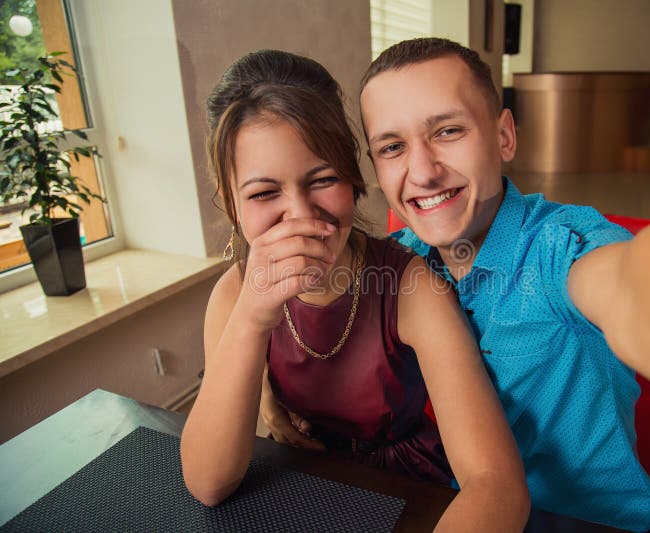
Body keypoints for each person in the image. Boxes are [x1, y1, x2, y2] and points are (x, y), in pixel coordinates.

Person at [355, 37, 650, 531]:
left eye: (448, 130)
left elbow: (632, 283)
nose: (422, 171)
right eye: (393, 147)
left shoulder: (559, 248)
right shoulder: (406, 261)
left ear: (504, 136)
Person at [179, 49, 530, 531]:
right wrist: (252, 318)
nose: (301, 216)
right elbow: (208, 482)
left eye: (322, 180)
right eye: (263, 193)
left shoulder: (409, 287)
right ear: (230, 199)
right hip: (299, 493)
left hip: (406, 495)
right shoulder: (233, 295)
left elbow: (495, 482)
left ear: (352, 174)